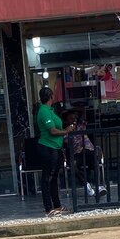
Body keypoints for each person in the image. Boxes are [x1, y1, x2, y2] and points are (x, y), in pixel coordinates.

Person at [36, 86, 73, 216]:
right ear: (51, 97)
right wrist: (66, 131)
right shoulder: (44, 111)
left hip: (55, 147)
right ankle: (48, 208)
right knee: (47, 178)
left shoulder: (49, 110)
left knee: (54, 177)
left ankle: (57, 206)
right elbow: (52, 130)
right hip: (48, 147)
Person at [64, 110, 106, 197]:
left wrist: (78, 108)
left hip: (88, 150)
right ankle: (86, 184)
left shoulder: (81, 126)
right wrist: (69, 130)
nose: (73, 120)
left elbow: (83, 114)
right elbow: (66, 142)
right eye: (71, 118)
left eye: (74, 118)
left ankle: (98, 186)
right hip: (77, 153)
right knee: (72, 164)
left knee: (95, 160)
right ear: (67, 121)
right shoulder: (65, 132)